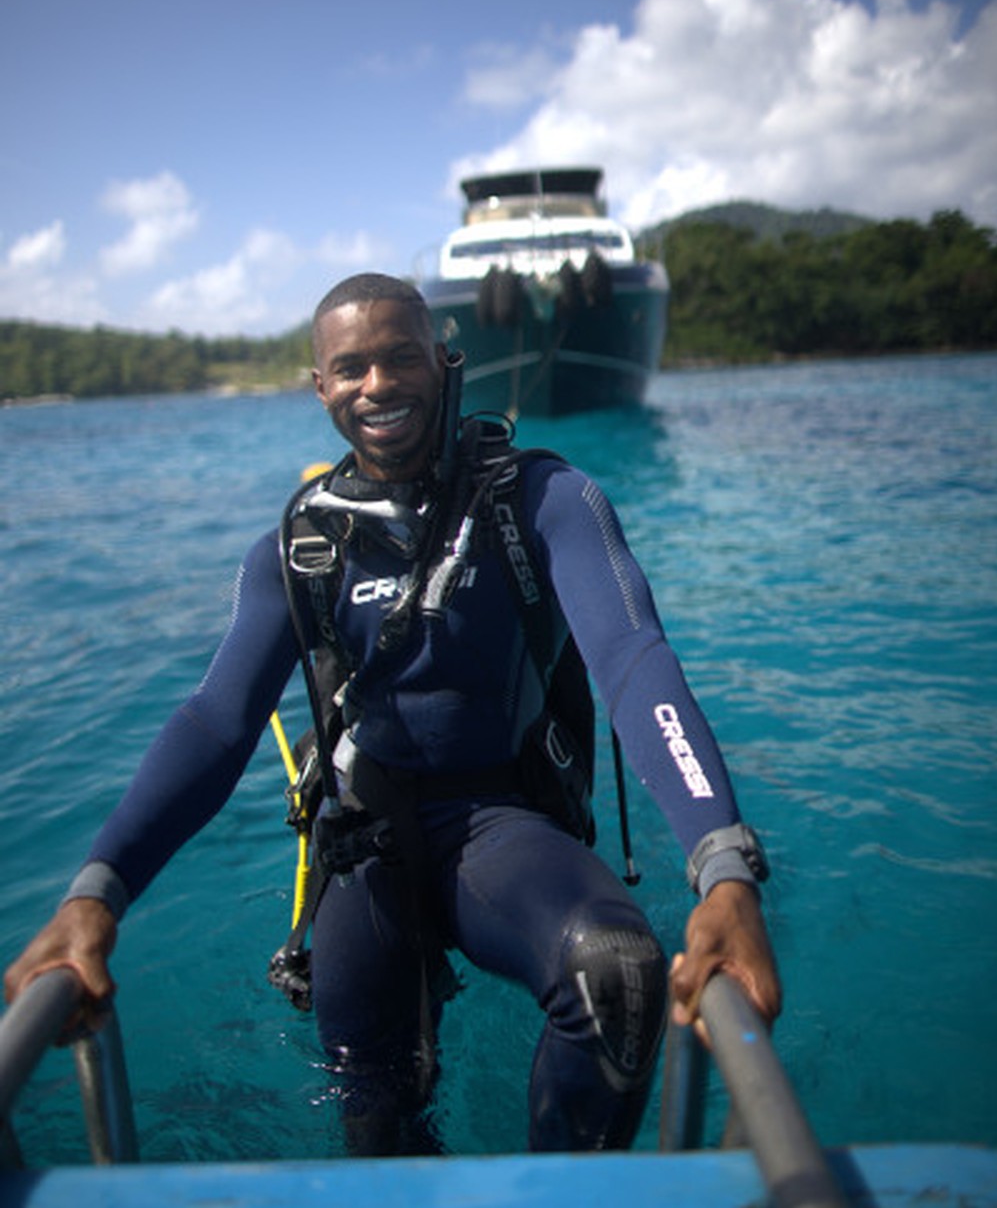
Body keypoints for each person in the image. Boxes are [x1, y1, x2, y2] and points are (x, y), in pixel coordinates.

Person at [4, 273, 780, 1155]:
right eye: (351, 368)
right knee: (375, 1105)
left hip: (504, 824)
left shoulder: (544, 501)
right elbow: (217, 722)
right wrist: (95, 895)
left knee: (620, 977)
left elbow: (634, 662)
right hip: (364, 840)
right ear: (321, 387)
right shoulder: (298, 550)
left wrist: (724, 867)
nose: (377, 385)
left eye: (401, 358)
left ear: (446, 362)